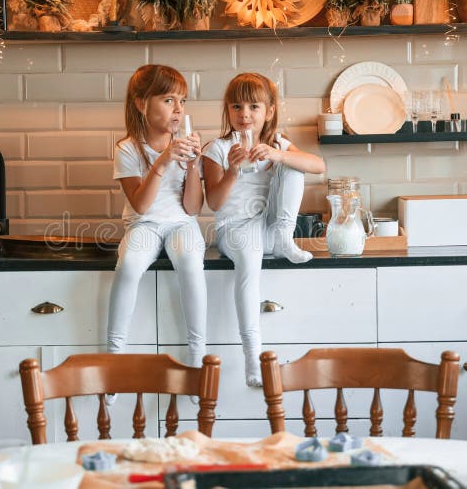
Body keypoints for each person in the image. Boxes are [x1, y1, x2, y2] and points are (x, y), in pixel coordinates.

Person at [202, 73, 326, 387]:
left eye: (254, 106)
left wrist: (278, 154)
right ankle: (253, 361)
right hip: (237, 229)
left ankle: (286, 237)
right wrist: (233, 169)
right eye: (237, 106)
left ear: (268, 111)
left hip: (272, 230)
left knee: (293, 165)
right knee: (249, 265)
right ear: (228, 111)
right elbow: (214, 203)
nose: (245, 114)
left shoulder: (276, 143)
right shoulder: (217, 148)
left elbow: (318, 165)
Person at [107, 65, 207, 394]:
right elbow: (141, 204)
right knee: (130, 265)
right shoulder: (127, 149)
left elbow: (193, 208)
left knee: (191, 264)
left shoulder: (187, 146)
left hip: (181, 222)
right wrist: (163, 161)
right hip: (145, 224)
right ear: (141, 104)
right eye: (168, 100)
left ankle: (197, 358)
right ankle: (114, 357)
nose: (179, 109)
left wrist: (194, 166)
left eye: (183, 101)